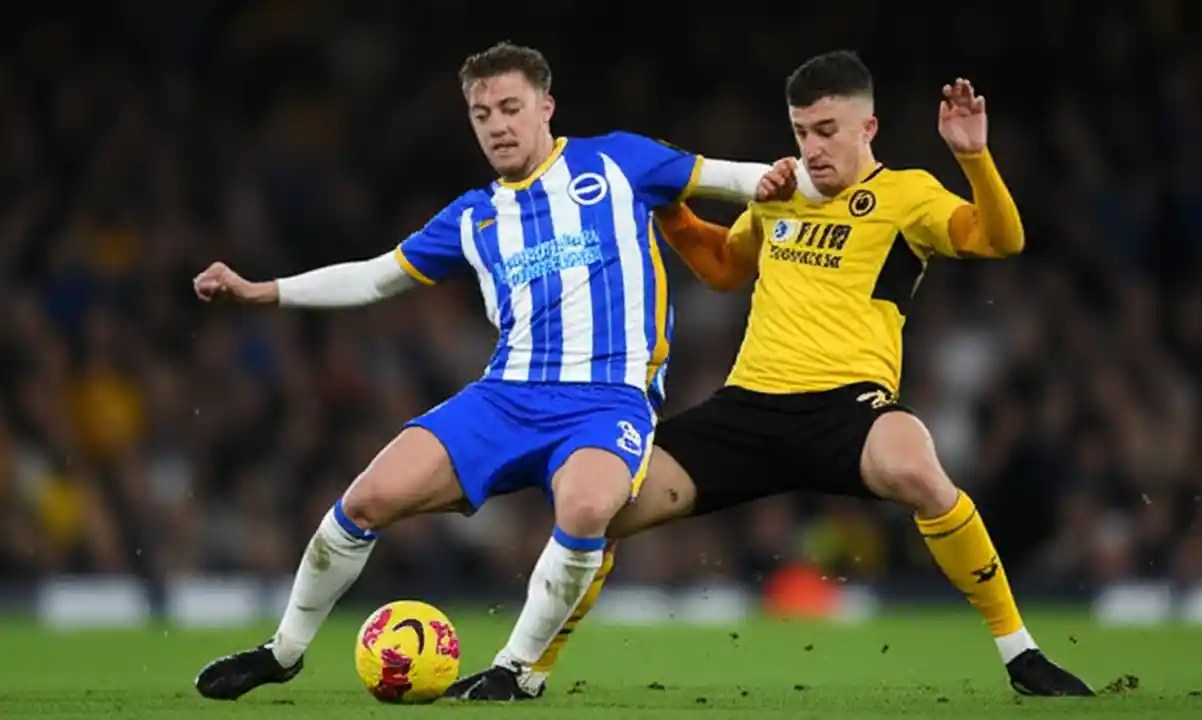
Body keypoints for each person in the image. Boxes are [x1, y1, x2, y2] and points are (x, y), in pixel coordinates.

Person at [448, 50, 1094, 700]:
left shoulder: (907, 195)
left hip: (848, 408)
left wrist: (973, 156)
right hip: (748, 409)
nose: (812, 147)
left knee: (917, 468)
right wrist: (669, 207)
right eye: (802, 132)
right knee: (602, 510)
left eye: (827, 130)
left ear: (867, 128)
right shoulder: (784, 196)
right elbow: (724, 269)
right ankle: (524, 674)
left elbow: (1000, 239)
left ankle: (1020, 653)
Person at [191, 41, 791, 701]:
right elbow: (373, 278)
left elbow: (742, 179)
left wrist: (787, 180)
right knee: (364, 500)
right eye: (482, 114)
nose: (498, 125)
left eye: (510, 107)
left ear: (546, 107)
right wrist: (261, 291)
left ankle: (516, 671)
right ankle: (283, 652)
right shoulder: (475, 215)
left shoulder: (617, 160)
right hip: (505, 399)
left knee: (589, 507)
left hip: (607, 400)